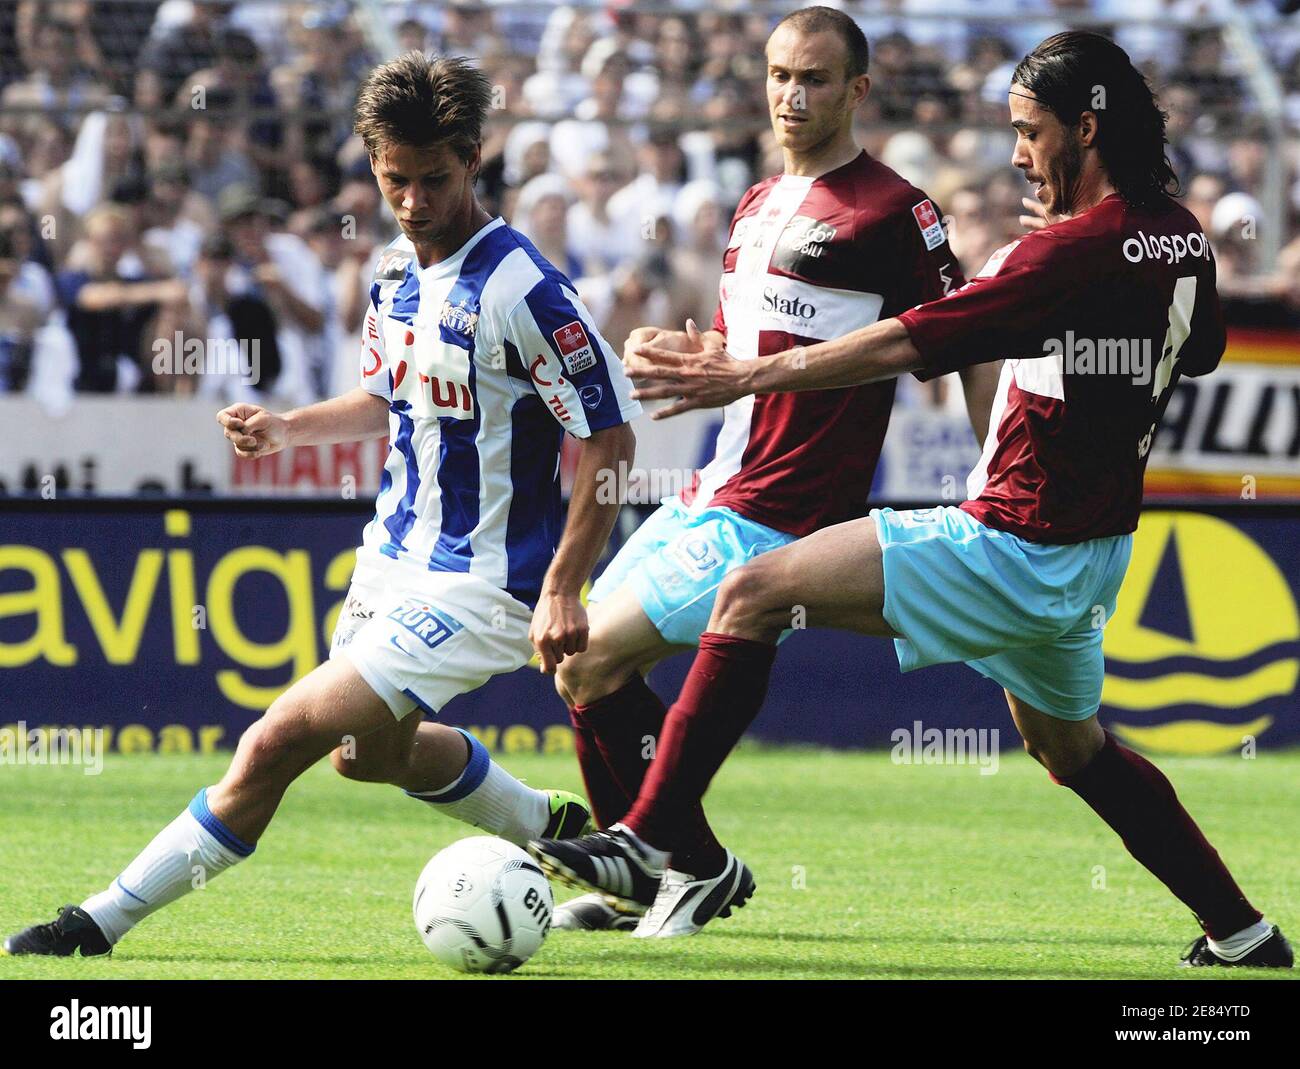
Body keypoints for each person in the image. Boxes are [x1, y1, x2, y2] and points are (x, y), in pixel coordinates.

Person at [531, 31, 1294, 968]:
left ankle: (653, 841)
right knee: (1073, 749)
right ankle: (1242, 932)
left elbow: (904, 344)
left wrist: (747, 377)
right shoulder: (1177, 232)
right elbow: (1203, 347)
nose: (1017, 152)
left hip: (1013, 541)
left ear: (1085, 128)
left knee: (753, 594)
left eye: (1029, 131)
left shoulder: (1060, 253)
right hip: (1093, 552)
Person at [4, 53, 639, 958]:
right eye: (394, 180)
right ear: (374, 163)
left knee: (276, 740)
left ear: (473, 158)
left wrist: (566, 586)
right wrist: (289, 426)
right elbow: (389, 400)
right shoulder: (393, 269)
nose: (413, 201)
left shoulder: (524, 290)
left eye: (434, 179)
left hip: (484, 580)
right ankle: (565, 832)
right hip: (394, 554)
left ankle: (97, 921)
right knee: (367, 756)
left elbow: (610, 437)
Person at [544, 6, 981, 934]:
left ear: (858, 90)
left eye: (816, 78)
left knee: (597, 655)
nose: (794, 94)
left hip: (787, 507)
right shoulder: (753, 203)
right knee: (579, 663)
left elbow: (966, 339)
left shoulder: (895, 211)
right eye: (782, 75)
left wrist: (989, 475)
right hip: (717, 485)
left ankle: (666, 858)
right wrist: (686, 351)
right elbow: (747, 352)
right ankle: (682, 867)